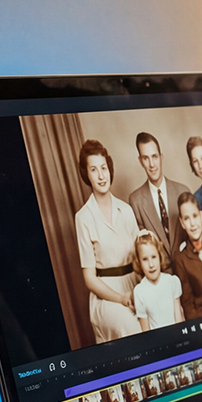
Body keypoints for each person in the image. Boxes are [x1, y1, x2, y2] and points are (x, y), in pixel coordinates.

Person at [71, 139, 141, 344]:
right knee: (131, 327)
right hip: (106, 296)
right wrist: (121, 298)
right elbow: (89, 279)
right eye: (94, 170)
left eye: (104, 168)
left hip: (135, 284)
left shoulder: (126, 210)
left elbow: (142, 255)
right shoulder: (83, 217)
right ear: (86, 174)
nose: (101, 176)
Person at [122, 132, 192, 270]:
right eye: (146, 158)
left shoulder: (183, 191)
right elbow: (142, 248)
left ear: (161, 157)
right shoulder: (136, 201)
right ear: (140, 161)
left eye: (154, 156)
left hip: (189, 271)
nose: (152, 164)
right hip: (160, 276)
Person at [130, 229, 184, 331]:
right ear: (138, 262)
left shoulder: (172, 282)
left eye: (154, 257)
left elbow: (179, 319)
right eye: (145, 259)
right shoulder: (139, 291)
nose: (151, 264)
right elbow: (146, 331)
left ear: (159, 256)